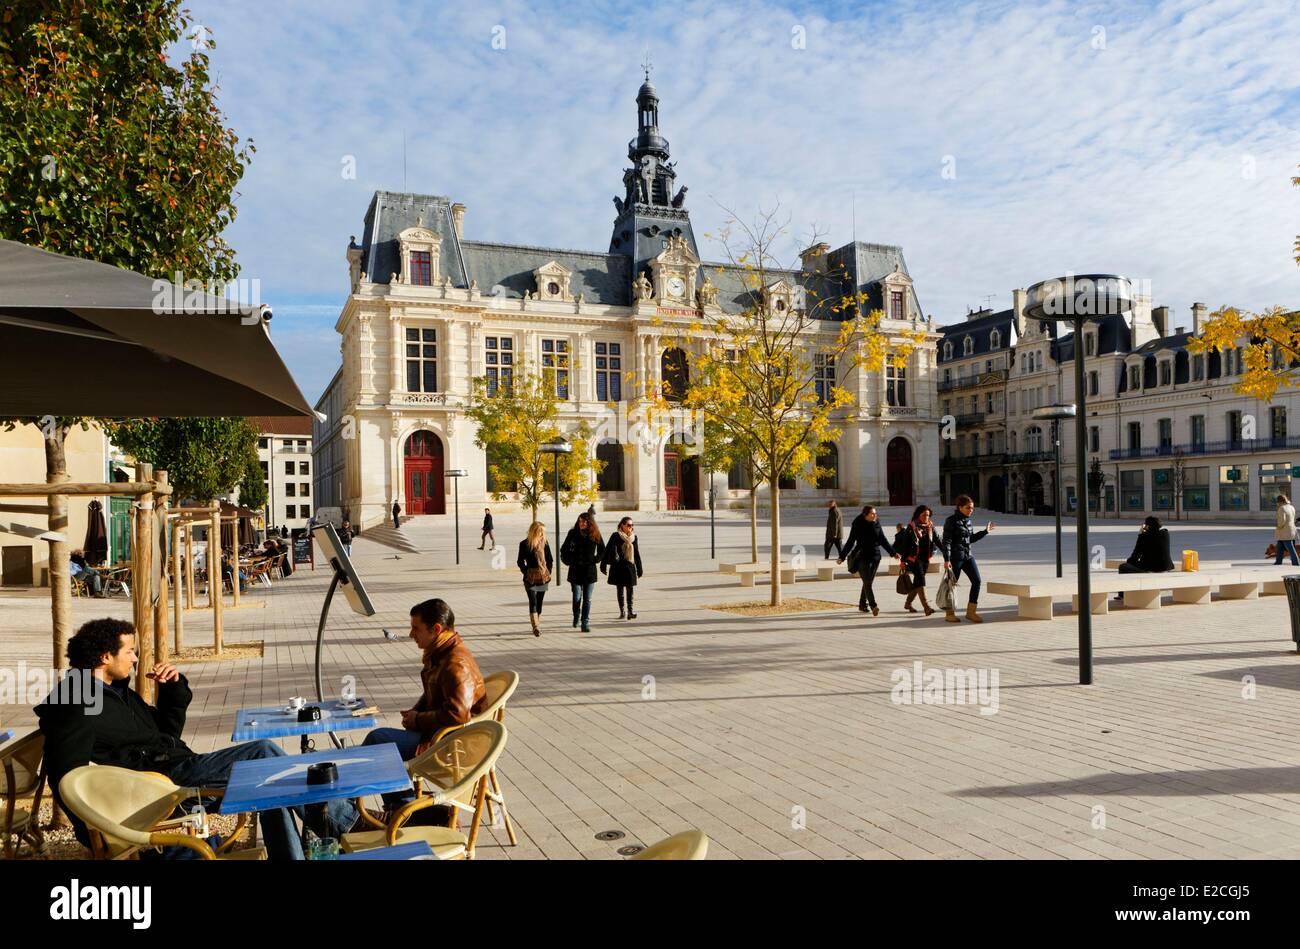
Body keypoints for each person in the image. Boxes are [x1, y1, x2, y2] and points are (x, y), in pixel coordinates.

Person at [36, 618, 356, 860]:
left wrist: (173, 689)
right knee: (263, 752)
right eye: (130, 651)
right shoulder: (76, 702)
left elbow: (165, 734)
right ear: (106, 656)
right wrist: (98, 834)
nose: (135, 659)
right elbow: (66, 773)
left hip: (176, 768)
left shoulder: (114, 693)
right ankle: (349, 824)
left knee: (270, 781)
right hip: (161, 785)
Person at [362, 599, 486, 810]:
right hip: (443, 735)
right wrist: (416, 711)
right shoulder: (441, 652)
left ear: (436, 629)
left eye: (415, 628)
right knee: (380, 742)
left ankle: (405, 808)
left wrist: (418, 719)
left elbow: (457, 714)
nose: (411, 634)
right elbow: (435, 692)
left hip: (451, 744)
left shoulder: (456, 663)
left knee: (378, 742)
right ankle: (403, 806)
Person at [940, 495, 994, 624]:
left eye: (972, 508)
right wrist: (947, 559)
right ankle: (949, 613)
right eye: (968, 508)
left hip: (968, 556)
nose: (971, 510)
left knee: (977, 581)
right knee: (951, 585)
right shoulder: (951, 521)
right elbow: (946, 541)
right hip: (955, 558)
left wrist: (985, 532)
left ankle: (971, 612)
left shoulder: (968, 521)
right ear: (960, 507)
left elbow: (971, 539)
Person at [838, 505, 895, 615]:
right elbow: (850, 541)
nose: (875, 516)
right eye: (872, 514)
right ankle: (873, 605)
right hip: (862, 556)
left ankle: (862, 604)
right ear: (865, 515)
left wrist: (893, 553)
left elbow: (882, 539)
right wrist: (842, 556)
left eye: (875, 513)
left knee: (868, 582)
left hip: (875, 556)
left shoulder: (876, 522)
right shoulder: (857, 523)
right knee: (868, 582)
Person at [894, 504, 943, 616]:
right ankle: (926, 607)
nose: (926, 517)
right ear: (918, 515)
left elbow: (937, 540)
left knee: (918, 583)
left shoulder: (930, 526)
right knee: (921, 580)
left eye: (928, 515)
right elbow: (905, 545)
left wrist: (946, 553)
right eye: (924, 515)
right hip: (913, 558)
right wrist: (902, 561)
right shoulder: (912, 527)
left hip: (926, 558)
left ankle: (908, 603)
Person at [561, 513, 604, 632]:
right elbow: (563, 549)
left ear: (589, 523)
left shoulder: (595, 534)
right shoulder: (572, 533)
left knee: (588, 599)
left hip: (589, 571)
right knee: (576, 596)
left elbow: (602, 550)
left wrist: (596, 559)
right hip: (575, 570)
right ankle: (576, 615)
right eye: (580, 521)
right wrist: (568, 560)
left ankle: (585, 622)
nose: (582, 523)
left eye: (585, 522)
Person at [1116, 516, 1175, 597]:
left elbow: (1134, 558)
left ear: (1147, 526)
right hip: (1166, 567)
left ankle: (1122, 594)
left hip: (1152, 567)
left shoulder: (1143, 537)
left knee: (1123, 567)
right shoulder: (1165, 534)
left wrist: (1140, 534)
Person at [601, 516, 643, 620]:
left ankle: (630, 611)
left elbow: (636, 554)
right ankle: (622, 611)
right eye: (629, 525)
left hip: (630, 566)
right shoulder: (615, 536)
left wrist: (640, 568)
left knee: (630, 589)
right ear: (622, 525)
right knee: (620, 589)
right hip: (618, 567)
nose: (631, 527)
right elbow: (607, 550)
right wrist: (603, 564)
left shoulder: (634, 537)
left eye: (632, 525)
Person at [517, 521, 554, 636]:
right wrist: (526, 571)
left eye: (543, 532)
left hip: (543, 576)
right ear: (534, 532)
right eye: (540, 532)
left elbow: (550, 559)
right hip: (530, 577)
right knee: (533, 601)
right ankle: (536, 627)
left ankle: (537, 621)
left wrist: (548, 572)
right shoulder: (524, 544)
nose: (542, 534)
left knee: (539, 602)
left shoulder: (545, 543)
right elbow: (520, 561)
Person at [1275, 494, 1299, 566]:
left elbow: (1282, 520)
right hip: (1291, 529)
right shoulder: (1291, 507)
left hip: (1284, 531)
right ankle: (1278, 561)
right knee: (1279, 546)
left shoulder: (1281, 508)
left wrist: (1278, 526)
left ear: (1279, 501)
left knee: (1290, 548)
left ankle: (1296, 562)